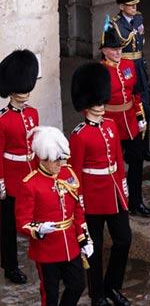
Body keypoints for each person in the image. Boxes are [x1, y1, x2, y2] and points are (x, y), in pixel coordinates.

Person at [68, 61, 131, 306]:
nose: (101, 105)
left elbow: (117, 160)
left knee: (123, 239)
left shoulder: (111, 126)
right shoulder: (79, 135)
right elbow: (75, 173)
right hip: (92, 197)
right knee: (93, 248)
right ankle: (97, 295)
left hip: (113, 193)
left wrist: (123, 188)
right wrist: (79, 203)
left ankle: (112, 286)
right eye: (96, 101)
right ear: (87, 104)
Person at [17, 126, 92, 306]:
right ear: (43, 159)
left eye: (61, 158)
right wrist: (39, 229)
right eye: (55, 160)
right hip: (47, 250)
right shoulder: (30, 184)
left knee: (77, 285)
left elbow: (77, 210)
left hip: (70, 246)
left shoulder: (68, 174)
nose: (60, 164)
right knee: (50, 296)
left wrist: (84, 239)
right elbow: (22, 221)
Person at [99, 19, 150, 218]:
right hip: (111, 123)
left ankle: (136, 201)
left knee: (137, 161)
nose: (118, 52)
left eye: (120, 48)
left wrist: (140, 116)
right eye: (113, 49)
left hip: (130, 121)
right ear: (104, 51)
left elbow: (135, 94)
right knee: (113, 166)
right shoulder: (100, 72)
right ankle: (116, 201)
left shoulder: (128, 65)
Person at [0, 49, 39, 285]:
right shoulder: (3, 119)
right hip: (11, 177)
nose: (24, 94)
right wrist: (1, 182)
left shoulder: (33, 114)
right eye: (20, 89)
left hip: (30, 174)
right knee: (8, 225)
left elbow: (34, 145)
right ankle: (10, 265)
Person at [111, 0, 150, 162]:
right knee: (127, 110)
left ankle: (144, 149)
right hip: (125, 68)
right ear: (121, 6)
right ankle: (125, 149)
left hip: (139, 67)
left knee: (145, 109)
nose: (134, 7)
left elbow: (140, 43)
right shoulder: (115, 24)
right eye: (130, 5)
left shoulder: (139, 18)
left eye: (135, 5)